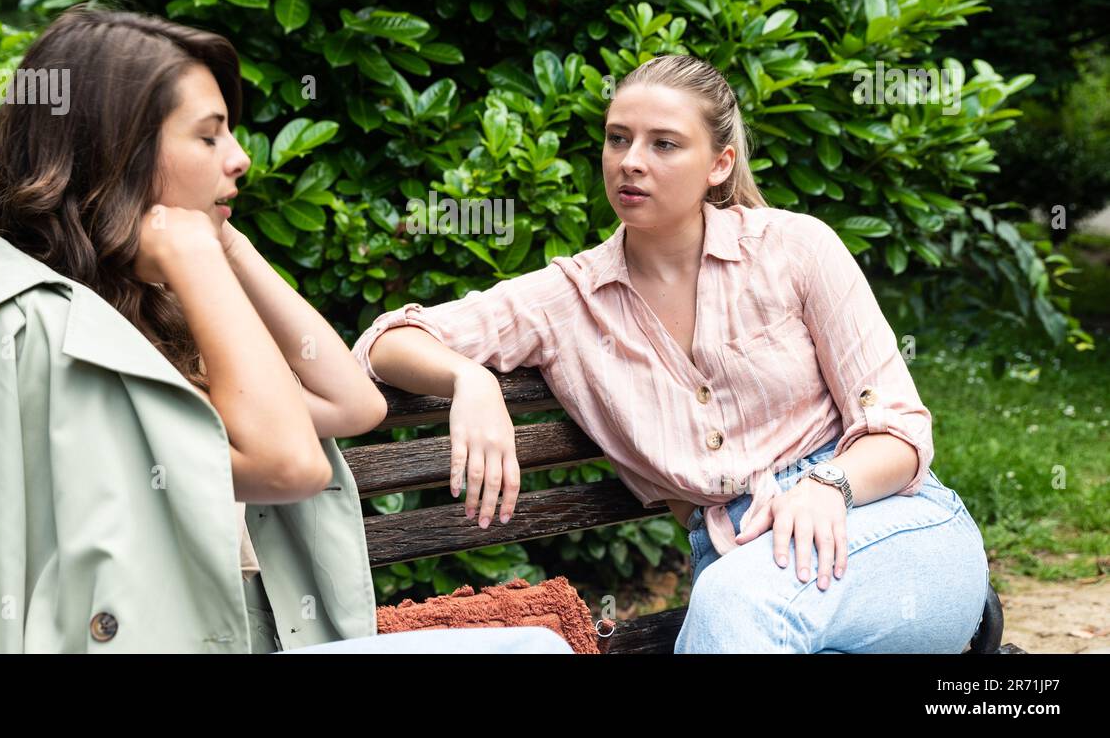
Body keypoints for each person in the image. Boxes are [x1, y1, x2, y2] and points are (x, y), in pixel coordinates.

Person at [0, 1, 571, 655]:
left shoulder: (165, 307)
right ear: (117, 153)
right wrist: (195, 255)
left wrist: (227, 249)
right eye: (209, 136)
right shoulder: (4, 319)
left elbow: (351, 404)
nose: (239, 157)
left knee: (535, 646)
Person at [352, 53, 992, 653]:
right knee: (742, 598)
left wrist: (828, 486)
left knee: (741, 601)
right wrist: (470, 380)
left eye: (664, 144)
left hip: (882, 522)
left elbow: (901, 430)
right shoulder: (566, 299)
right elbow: (384, 340)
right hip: (742, 562)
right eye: (617, 138)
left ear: (720, 163)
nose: (631, 161)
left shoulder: (796, 250)